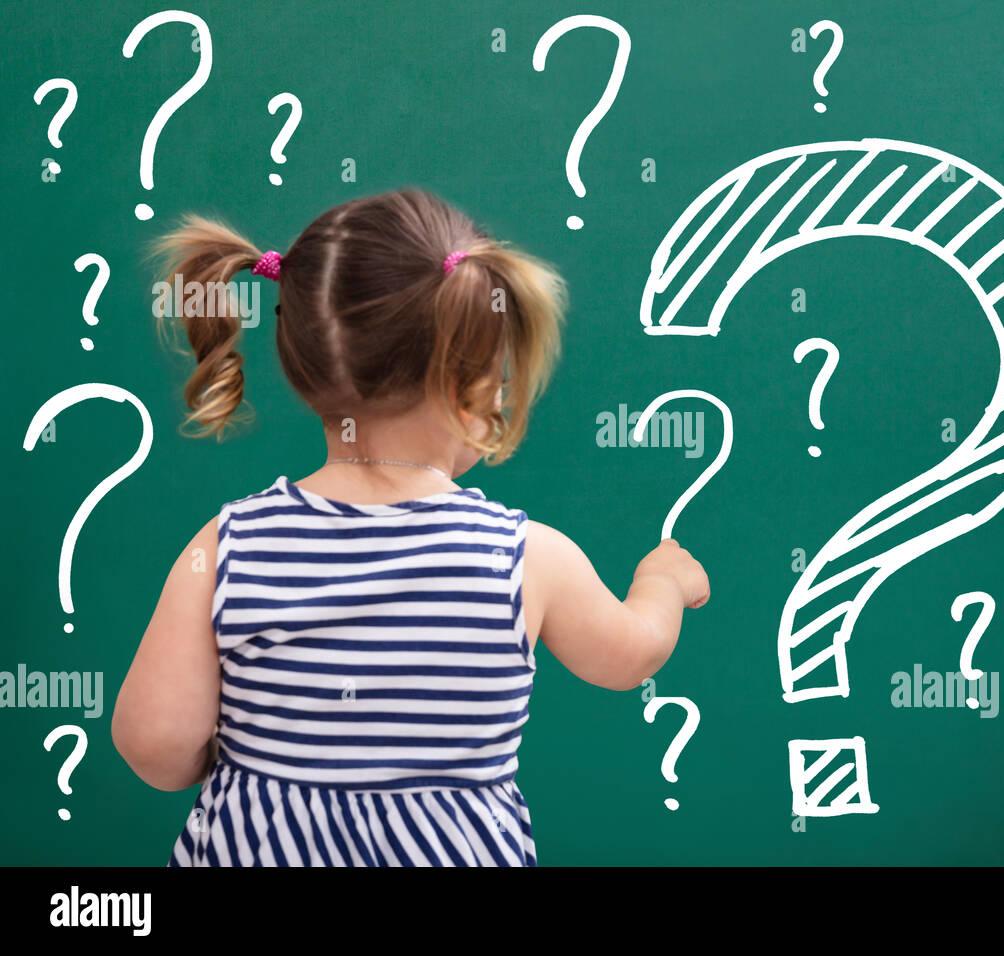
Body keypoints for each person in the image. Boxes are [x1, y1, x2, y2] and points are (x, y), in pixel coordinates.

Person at [111, 189, 709, 866]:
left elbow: (153, 742)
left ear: (308, 369)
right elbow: (632, 656)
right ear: (470, 388)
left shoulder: (227, 547)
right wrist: (660, 582)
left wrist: (267, 763)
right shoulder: (525, 557)